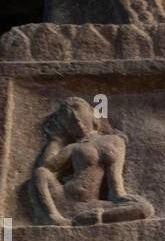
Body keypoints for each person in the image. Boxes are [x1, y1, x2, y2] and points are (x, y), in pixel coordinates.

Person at [31, 96, 154, 226]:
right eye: (70, 120)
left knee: (145, 208)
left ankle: (98, 217)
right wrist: (56, 140)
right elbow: (46, 167)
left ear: (92, 115)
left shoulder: (115, 140)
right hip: (65, 199)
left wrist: (120, 197)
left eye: (80, 113)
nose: (77, 119)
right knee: (40, 172)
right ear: (67, 127)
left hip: (91, 204)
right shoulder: (74, 147)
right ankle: (54, 217)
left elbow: (115, 185)